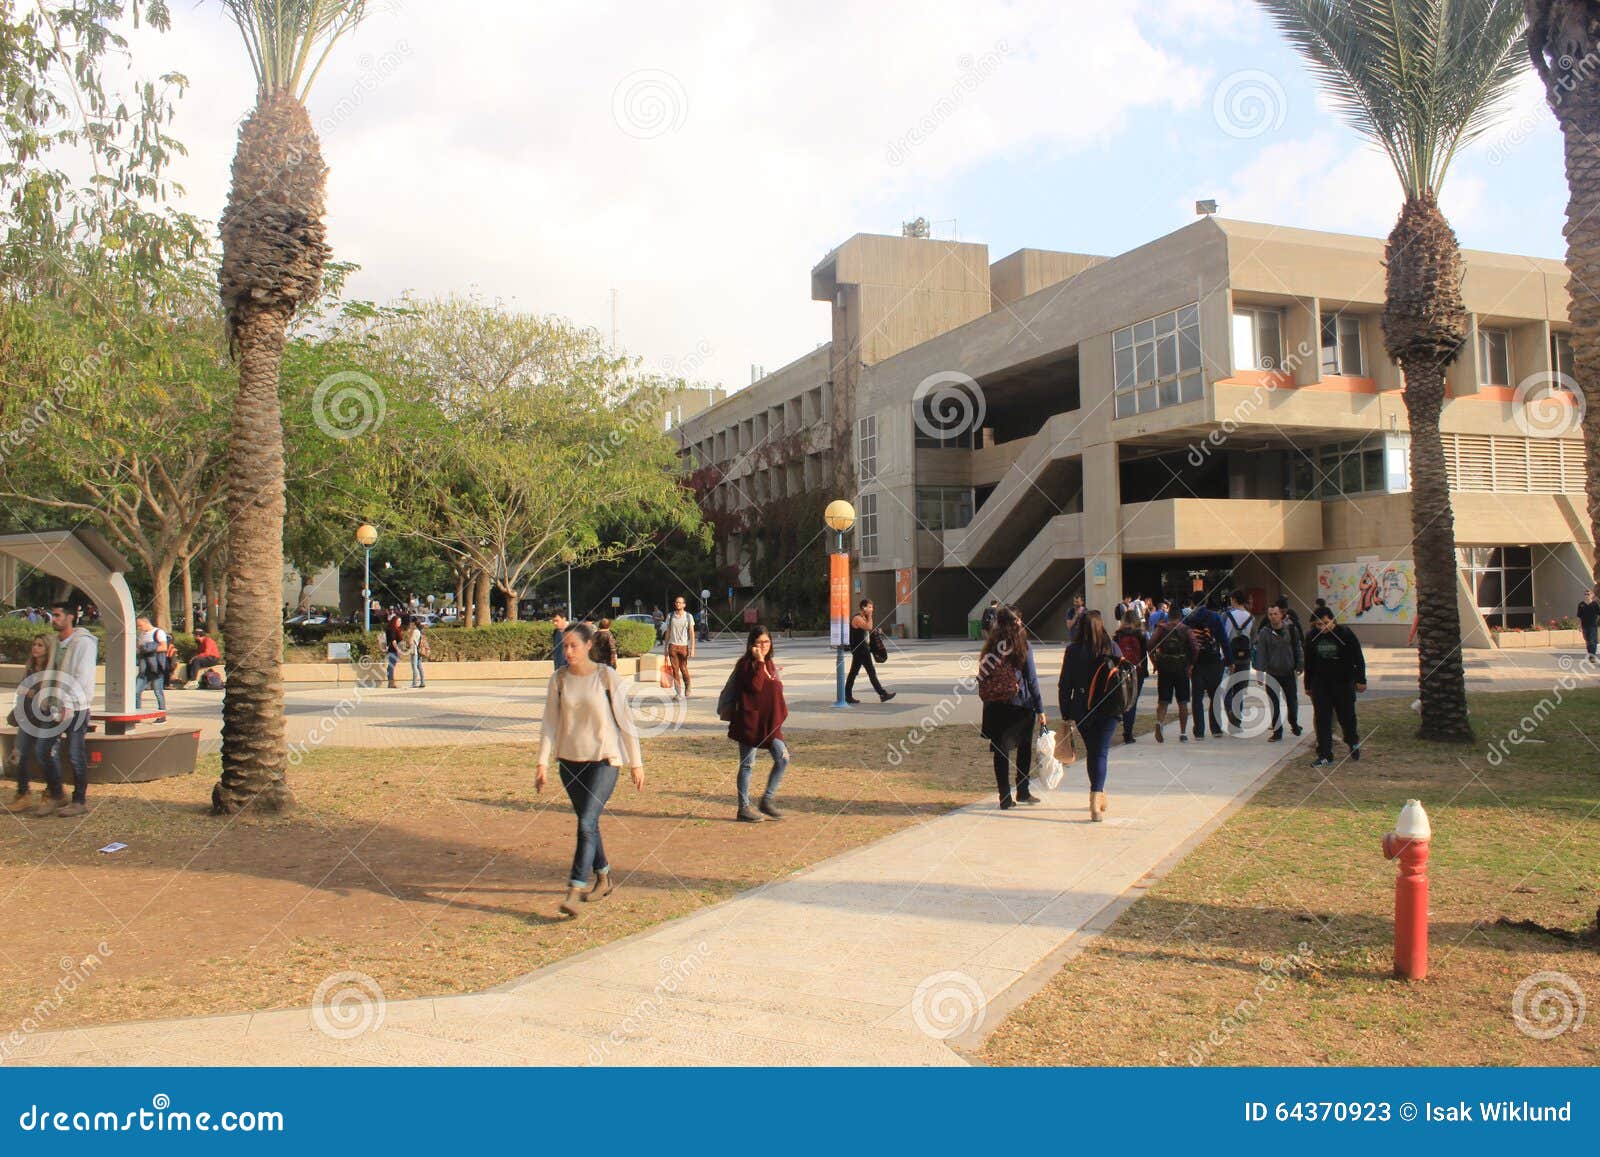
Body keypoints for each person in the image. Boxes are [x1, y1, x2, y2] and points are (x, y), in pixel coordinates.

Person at [536, 622, 644, 918]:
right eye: (564, 645)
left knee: (585, 823)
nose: (567, 651)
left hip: (605, 760)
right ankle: (605, 876)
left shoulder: (606, 677)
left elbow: (626, 721)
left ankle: (574, 889)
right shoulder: (558, 679)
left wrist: (636, 762)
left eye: (573, 645)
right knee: (589, 823)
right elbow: (549, 722)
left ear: (587, 646)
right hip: (569, 763)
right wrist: (542, 762)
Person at [978, 607, 1046, 809]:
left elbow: (983, 677)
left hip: (995, 706)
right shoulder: (1022, 645)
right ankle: (1023, 790)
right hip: (1020, 705)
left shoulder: (991, 647)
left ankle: (1004, 796)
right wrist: (1040, 708)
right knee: (1024, 748)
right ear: (1017, 623)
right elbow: (1031, 680)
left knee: (1001, 751)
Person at [35, 602, 97, 817]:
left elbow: (82, 677)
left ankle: (79, 800)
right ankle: (56, 793)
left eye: (58, 615)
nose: (54, 619)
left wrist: (68, 704)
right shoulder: (57, 642)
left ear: (71, 617)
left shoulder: (84, 643)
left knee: (75, 755)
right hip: (53, 705)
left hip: (76, 707)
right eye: (53, 615)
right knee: (42, 750)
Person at [1059, 610, 1121, 822]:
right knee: (1100, 753)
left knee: (1093, 751)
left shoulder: (1073, 651)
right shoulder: (1111, 647)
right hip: (1109, 709)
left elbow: (1065, 684)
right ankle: (1097, 795)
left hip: (1082, 708)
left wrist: (1066, 712)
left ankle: (1096, 795)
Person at [726, 626, 790, 822]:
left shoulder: (770, 664)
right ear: (752, 645)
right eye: (759, 642)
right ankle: (743, 808)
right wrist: (760, 661)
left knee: (783, 758)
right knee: (747, 765)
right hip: (750, 722)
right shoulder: (745, 665)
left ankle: (767, 800)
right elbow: (756, 686)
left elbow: (775, 689)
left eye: (767, 642)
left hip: (769, 724)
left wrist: (765, 664)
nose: (763, 646)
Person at [1304, 606, 1366, 768]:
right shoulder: (1311, 637)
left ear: (1333, 620)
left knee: (1347, 717)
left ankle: (1352, 741)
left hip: (1343, 683)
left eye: (1326, 623)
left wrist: (1361, 679)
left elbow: (1358, 657)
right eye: (1318, 625)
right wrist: (1308, 685)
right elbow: (1308, 663)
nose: (1323, 627)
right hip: (1321, 684)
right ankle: (1325, 754)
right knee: (1322, 719)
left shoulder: (1345, 634)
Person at [5, 636, 55, 814]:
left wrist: (34, 692)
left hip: (45, 719)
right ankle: (22, 794)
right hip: (26, 717)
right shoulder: (30, 668)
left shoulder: (51, 670)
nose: (36, 648)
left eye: (40, 645)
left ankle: (51, 793)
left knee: (46, 755)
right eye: (34, 644)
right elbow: (22, 692)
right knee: (19, 756)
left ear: (47, 649)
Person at [1253, 604, 1304, 742]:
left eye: (1275, 614)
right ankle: (1277, 732)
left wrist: (1300, 665)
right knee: (1274, 703)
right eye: (1270, 614)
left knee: (1292, 701)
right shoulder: (1264, 632)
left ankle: (1294, 723)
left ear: (1281, 615)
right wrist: (1259, 672)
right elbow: (1261, 652)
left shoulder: (1291, 630)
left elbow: (1298, 648)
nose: (1273, 617)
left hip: (1288, 672)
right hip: (1272, 673)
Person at [1148, 609, 1196, 744]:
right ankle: (1183, 733)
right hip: (1181, 668)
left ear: (1168, 617)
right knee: (1183, 702)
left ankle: (1159, 722)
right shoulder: (1185, 629)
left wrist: (1154, 663)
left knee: (1163, 701)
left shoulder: (1161, 628)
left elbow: (1150, 645)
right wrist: (1191, 664)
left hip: (1164, 668)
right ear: (1180, 617)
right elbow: (1195, 647)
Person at [1183, 595, 1228, 740]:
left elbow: (1186, 644)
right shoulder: (1215, 617)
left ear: (1192, 603)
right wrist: (1230, 660)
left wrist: (1188, 663)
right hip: (1214, 660)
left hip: (1197, 662)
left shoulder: (1189, 619)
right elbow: (1223, 639)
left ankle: (1199, 731)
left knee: (1197, 697)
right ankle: (1215, 729)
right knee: (1214, 695)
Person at [846, 599, 895, 704]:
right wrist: (870, 616)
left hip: (862, 649)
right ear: (863, 608)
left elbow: (870, 629)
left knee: (853, 673)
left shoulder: (863, 617)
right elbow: (868, 627)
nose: (871, 609)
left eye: (872, 607)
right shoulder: (857, 618)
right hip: (860, 650)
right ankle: (882, 694)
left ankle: (847, 696)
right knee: (871, 672)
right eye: (869, 607)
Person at [1111, 610, 1149, 744]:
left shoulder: (1117, 636)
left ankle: (1113, 728)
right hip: (1136, 673)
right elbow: (1144, 655)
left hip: (1120, 673)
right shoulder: (1141, 636)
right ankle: (1128, 733)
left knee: (1120, 700)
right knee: (1132, 702)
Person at [1221, 592, 1256, 729]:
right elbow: (1253, 638)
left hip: (1229, 656)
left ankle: (1229, 709)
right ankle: (1237, 720)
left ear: (1234, 600)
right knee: (1240, 690)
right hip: (1245, 657)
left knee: (1227, 688)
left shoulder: (1226, 616)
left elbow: (1222, 635)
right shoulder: (1251, 617)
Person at [134, 615, 168, 711]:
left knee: (158, 692)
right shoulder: (142, 635)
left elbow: (164, 647)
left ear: (146, 622)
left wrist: (149, 649)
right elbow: (139, 648)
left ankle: (162, 713)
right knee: (136, 691)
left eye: (140, 625)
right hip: (144, 668)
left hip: (155, 667)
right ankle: (137, 712)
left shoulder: (158, 632)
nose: (139, 628)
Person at [663, 596, 695, 698]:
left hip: (683, 646)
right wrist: (665, 646)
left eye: (680, 603)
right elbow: (668, 631)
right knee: (675, 670)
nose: (678, 604)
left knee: (683, 668)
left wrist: (692, 648)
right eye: (676, 602)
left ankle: (688, 685)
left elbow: (692, 633)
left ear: (684, 605)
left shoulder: (689, 617)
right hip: (672, 646)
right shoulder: (670, 616)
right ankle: (678, 692)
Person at [383, 609, 403, 689]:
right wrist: (398, 650)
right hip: (393, 650)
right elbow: (394, 641)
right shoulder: (393, 630)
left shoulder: (390, 629)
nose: (400, 623)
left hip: (391, 650)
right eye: (399, 621)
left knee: (390, 666)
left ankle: (390, 682)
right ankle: (391, 682)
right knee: (391, 666)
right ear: (395, 622)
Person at [1578, 589, 1599, 659]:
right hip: (1584, 626)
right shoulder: (1581, 604)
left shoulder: (1595, 604)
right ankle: (1590, 654)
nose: (1587, 596)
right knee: (1587, 641)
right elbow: (1579, 616)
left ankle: (1592, 656)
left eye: (1588, 594)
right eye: (1586, 594)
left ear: (1592, 595)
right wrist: (1579, 626)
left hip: (1593, 625)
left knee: (1592, 640)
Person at [407, 615, 428, 687]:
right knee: (419, 666)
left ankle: (414, 683)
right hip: (419, 651)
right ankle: (422, 682)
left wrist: (409, 634)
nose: (409, 624)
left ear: (413, 623)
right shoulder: (419, 630)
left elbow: (410, 641)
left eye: (410, 623)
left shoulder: (414, 631)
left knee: (414, 667)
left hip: (414, 651)